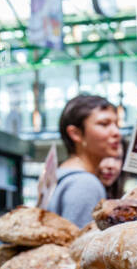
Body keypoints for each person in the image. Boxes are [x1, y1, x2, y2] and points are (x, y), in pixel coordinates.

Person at [45, 94, 121, 227]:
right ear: (76, 134)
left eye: (116, 124)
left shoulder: (62, 174)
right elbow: (79, 246)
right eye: (104, 124)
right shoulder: (85, 184)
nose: (116, 132)